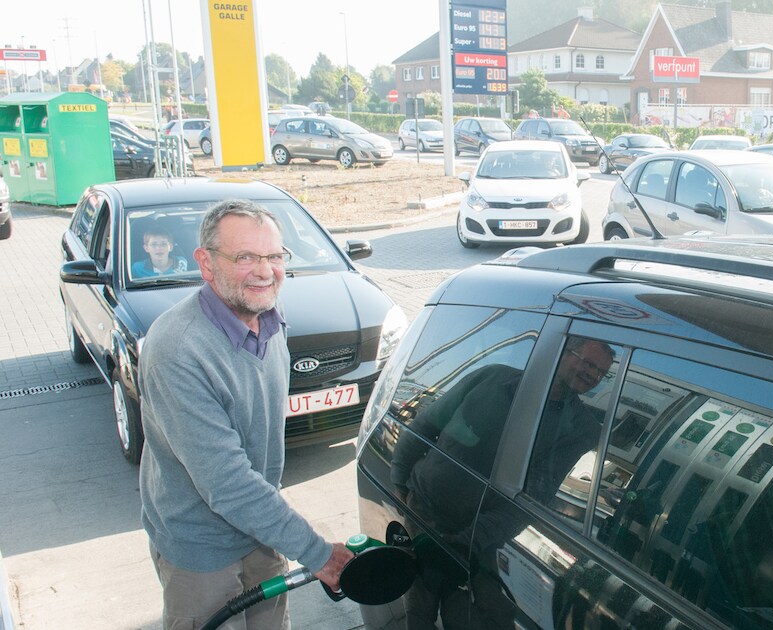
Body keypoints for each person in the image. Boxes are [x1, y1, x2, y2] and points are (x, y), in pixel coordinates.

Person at [138, 199, 353, 629]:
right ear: (205, 262)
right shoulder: (177, 349)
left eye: (274, 256)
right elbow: (227, 484)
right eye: (245, 257)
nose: (264, 271)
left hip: (260, 527)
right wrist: (319, 555)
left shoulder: (270, 318)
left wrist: (281, 529)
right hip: (200, 552)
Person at [389, 337, 616, 630]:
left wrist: (469, 542)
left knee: (478, 618)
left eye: (601, 372)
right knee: (419, 606)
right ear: (561, 354)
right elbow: (425, 426)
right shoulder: (492, 377)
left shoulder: (581, 429)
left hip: (478, 536)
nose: (593, 376)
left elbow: (532, 499)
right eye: (587, 363)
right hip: (423, 509)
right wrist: (399, 483)